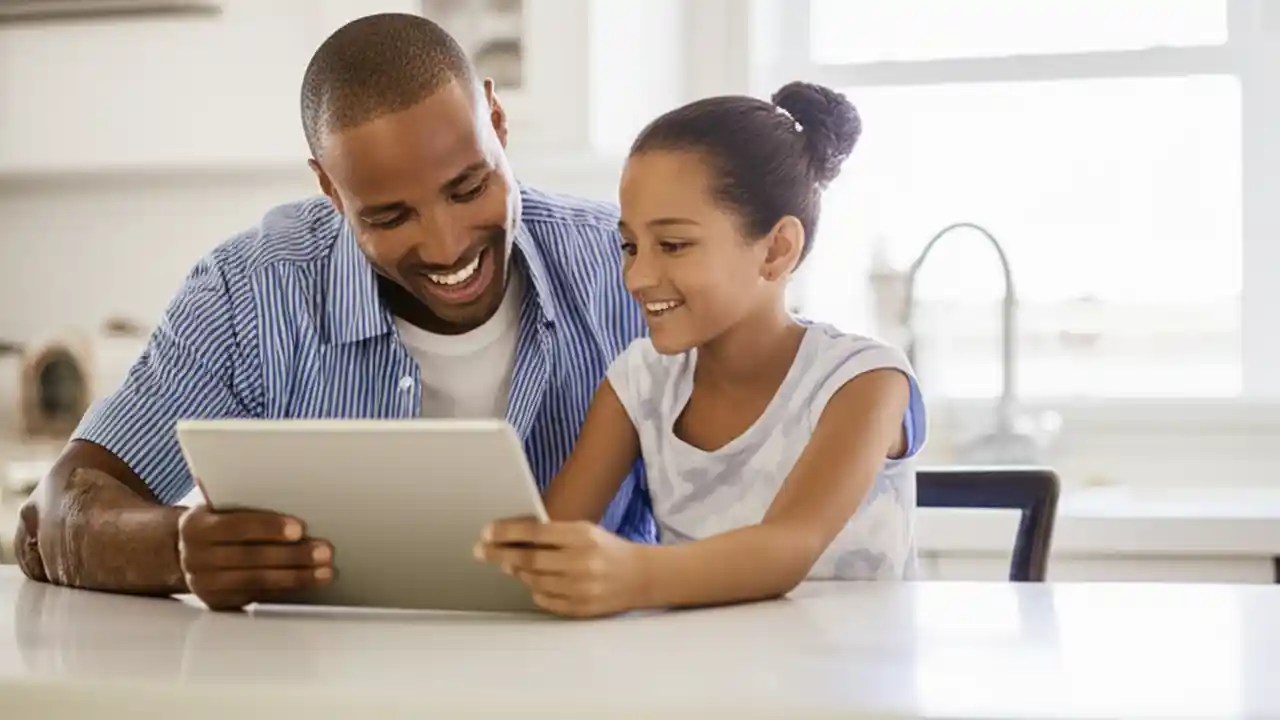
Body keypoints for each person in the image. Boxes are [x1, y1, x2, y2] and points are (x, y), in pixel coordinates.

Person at [13, 13, 654, 610]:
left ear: (496, 118)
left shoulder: (626, 270)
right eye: (389, 216)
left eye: (469, 188)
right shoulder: (251, 294)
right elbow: (53, 516)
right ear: (329, 188)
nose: (447, 244)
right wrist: (176, 550)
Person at [476, 82, 927, 618]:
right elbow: (549, 540)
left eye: (673, 245)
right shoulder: (639, 383)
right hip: (703, 685)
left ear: (777, 250)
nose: (637, 276)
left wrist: (636, 574)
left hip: (844, 688)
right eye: (629, 245)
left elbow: (788, 546)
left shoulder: (865, 383)